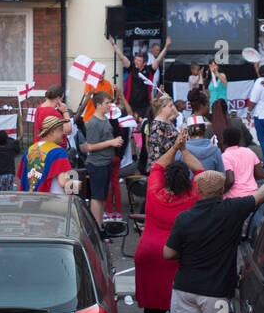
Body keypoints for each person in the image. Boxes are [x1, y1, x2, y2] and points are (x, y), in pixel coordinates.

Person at [164, 169, 264, 313]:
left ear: (198, 190)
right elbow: (262, 194)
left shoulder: (184, 218)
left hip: (184, 291)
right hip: (217, 295)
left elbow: (168, 253)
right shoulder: (233, 209)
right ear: (222, 191)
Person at [135, 129, 204, 313]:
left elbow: (157, 166)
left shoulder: (154, 190)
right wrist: (183, 150)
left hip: (149, 255)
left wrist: (174, 148)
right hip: (177, 258)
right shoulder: (193, 195)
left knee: (152, 310)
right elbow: (200, 170)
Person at [79, 91, 123, 225]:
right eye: (107, 103)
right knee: (97, 198)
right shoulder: (93, 122)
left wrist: (115, 140)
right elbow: (90, 147)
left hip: (106, 162)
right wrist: (111, 142)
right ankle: (96, 227)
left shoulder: (105, 118)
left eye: (110, 102)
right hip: (97, 165)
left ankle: (100, 225)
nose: (110, 105)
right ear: (98, 105)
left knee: (103, 196)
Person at [110, 35, 171, 120]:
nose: (136, 62)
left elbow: (158, 60)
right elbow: (121, 56)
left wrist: (166, 47)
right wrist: (114, 44)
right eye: (135, 60)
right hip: (131, 104)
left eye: (139, 61)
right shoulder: (131, 68)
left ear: (144, 63)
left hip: (145, 105)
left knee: (144, 125)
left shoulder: (149, 70)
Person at [19, 115, 79, 193]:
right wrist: (77, 185)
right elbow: (63, 182)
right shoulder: (58, 151)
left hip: (32, 200)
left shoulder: (29, 150)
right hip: (53, 200)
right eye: (61, 130)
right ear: (52, 132)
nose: (63, 133)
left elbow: (23, 179)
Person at [221, 126, 264, 198]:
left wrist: (221, 193)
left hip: (233, 198)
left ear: (223, 140)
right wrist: (246, 176)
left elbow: (230, 181)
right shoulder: (249, 151)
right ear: (239, 140)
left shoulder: (225, 156)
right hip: (253, 196)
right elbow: (260, 175)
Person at [144, 94, 181, 172]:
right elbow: (163, 146)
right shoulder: (158, 124)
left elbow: (176, 113)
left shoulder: (166, 120)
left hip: (167, 162)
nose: (172, 108)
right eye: (170, 106)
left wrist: (168, 98)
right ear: (163, 108)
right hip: (161, 165)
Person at [204, 59, 229, 134]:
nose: (213, 66)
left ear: (218, 66)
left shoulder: (222, 75)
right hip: (212, 105)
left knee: (223, 124)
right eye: (211, 65)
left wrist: (216, 72)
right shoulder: (210, 79)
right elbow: (207, 92)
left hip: (221, 104)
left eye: (214, 64)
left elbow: (224, 82)